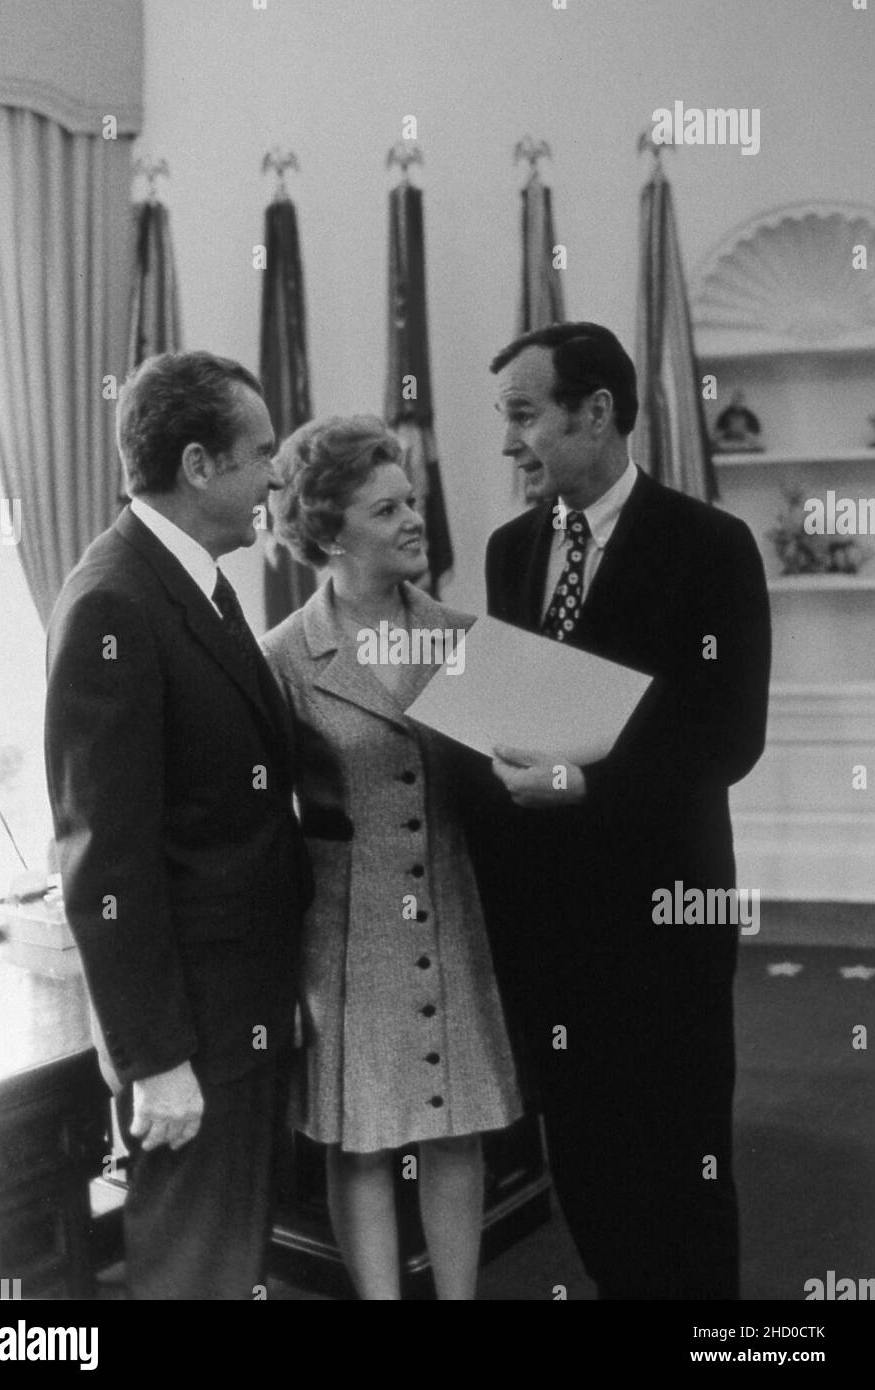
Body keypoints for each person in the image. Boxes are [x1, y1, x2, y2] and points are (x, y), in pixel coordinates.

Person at [483, 322, 771, 1300]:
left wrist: (581, 786)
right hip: (551, 933)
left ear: (595, 410)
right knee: (590, 1175)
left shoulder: (712, 545)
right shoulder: (509, 550)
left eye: (524, 415)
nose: (509, 442)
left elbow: (725, 739)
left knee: (684, 1172)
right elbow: (519, 715)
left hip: (666, 919)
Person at [45, 350, 311, 1299]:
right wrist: (156, 1061)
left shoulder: (193, 577)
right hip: (191, 1029)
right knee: (194, 1270)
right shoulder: (117, 597)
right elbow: (102, 861)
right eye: (261, 453)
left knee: (227, 1259)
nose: (277, 477)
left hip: (238, 1007)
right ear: (198, 466)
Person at [262, 415, 522, 1301]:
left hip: (454, 913)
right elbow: (265, 820)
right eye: (389, 509)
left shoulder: (460, 636)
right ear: (331, 532)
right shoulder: (283, 659)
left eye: (412, 500)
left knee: (457, 1129)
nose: (416, 519)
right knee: (363, 1140)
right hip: (345, 933)